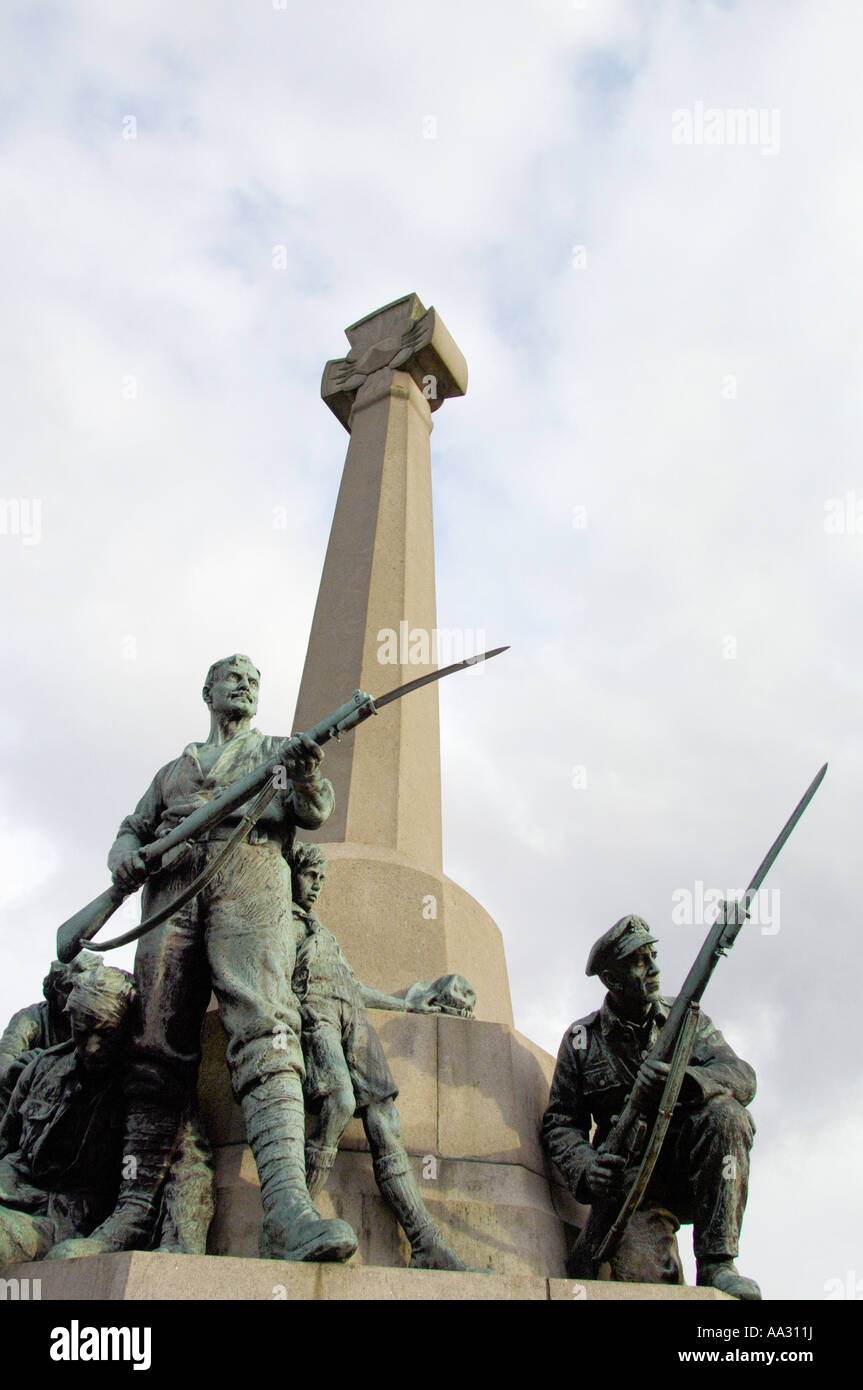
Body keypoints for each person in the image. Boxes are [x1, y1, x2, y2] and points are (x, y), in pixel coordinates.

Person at [58, 653, 356, 1264]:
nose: (245, 685)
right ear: (208, 691)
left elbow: (315, 811)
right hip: (170, 890)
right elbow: (133, 828)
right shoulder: (175, 769)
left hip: (249, 875)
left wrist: (302, 776)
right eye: (232, 677)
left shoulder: (277, 748)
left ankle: (287, 1207)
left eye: (253, 680)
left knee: (267, 1026)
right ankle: (133, 1210)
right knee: (153, 1043)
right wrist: (124, 857)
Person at [542, 914, 761, 1299]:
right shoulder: (582, 1040)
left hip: (686, 1169)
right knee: (652, 1289)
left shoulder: (685, 1022)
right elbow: (560, 1123)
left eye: (653, 956)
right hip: (631, 1188)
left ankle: (716, 1263)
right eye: (639, 961)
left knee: (727, 1115)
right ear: (612, 980)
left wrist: (688, 1083)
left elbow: (742, 1077)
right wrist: (586, 1167)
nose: (655, 969)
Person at [290, 841, 468, 1270]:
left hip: (352, 1016)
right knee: (339, 1102)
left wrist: (406, 1004)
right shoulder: (279, 922)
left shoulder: (323, 933)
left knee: (385, 1118)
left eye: (321, 880)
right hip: (316, 1014)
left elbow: (353, 986)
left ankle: (426, 1241)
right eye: (309, 877)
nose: (315, 887)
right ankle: (294, 1222)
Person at [0, 969, 134, 1268]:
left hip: (56, 1217)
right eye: (81, 1032)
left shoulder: (140, 1089)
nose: (91, 1048)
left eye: (106, 1033)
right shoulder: (44, 1066)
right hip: (9, 1186)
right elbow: (5, 1139)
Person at [0, 952, 104, 1111]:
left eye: (84, 992)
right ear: (55, 989)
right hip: (30, 1100)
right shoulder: (31, 1018)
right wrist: (25, 1068)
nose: (75, 1000)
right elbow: (5, 1058)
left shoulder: (96, 1020)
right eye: (69, 991)